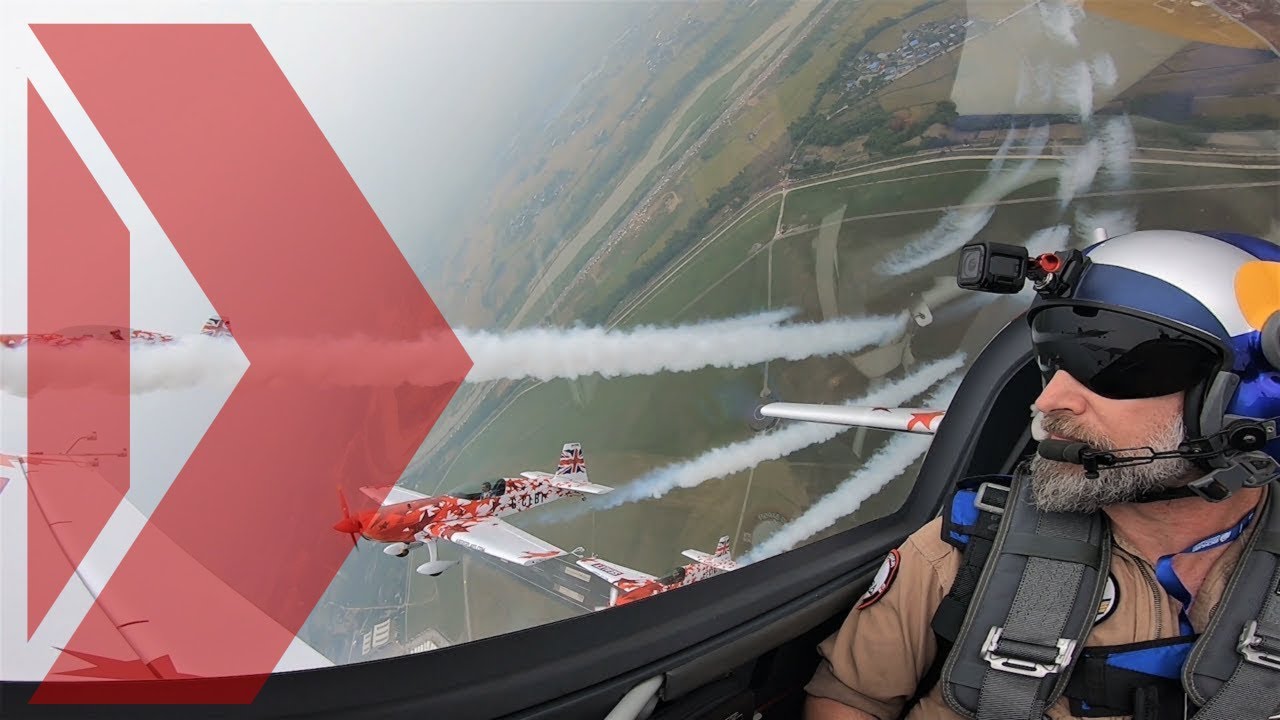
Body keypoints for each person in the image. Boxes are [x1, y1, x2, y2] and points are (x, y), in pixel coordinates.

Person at [804, 229, 1280, 720]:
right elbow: (848, 701)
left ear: (1242, 404)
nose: (1048, 401)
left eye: (1111, 366)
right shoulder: (967, 548)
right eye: (1054, 360)